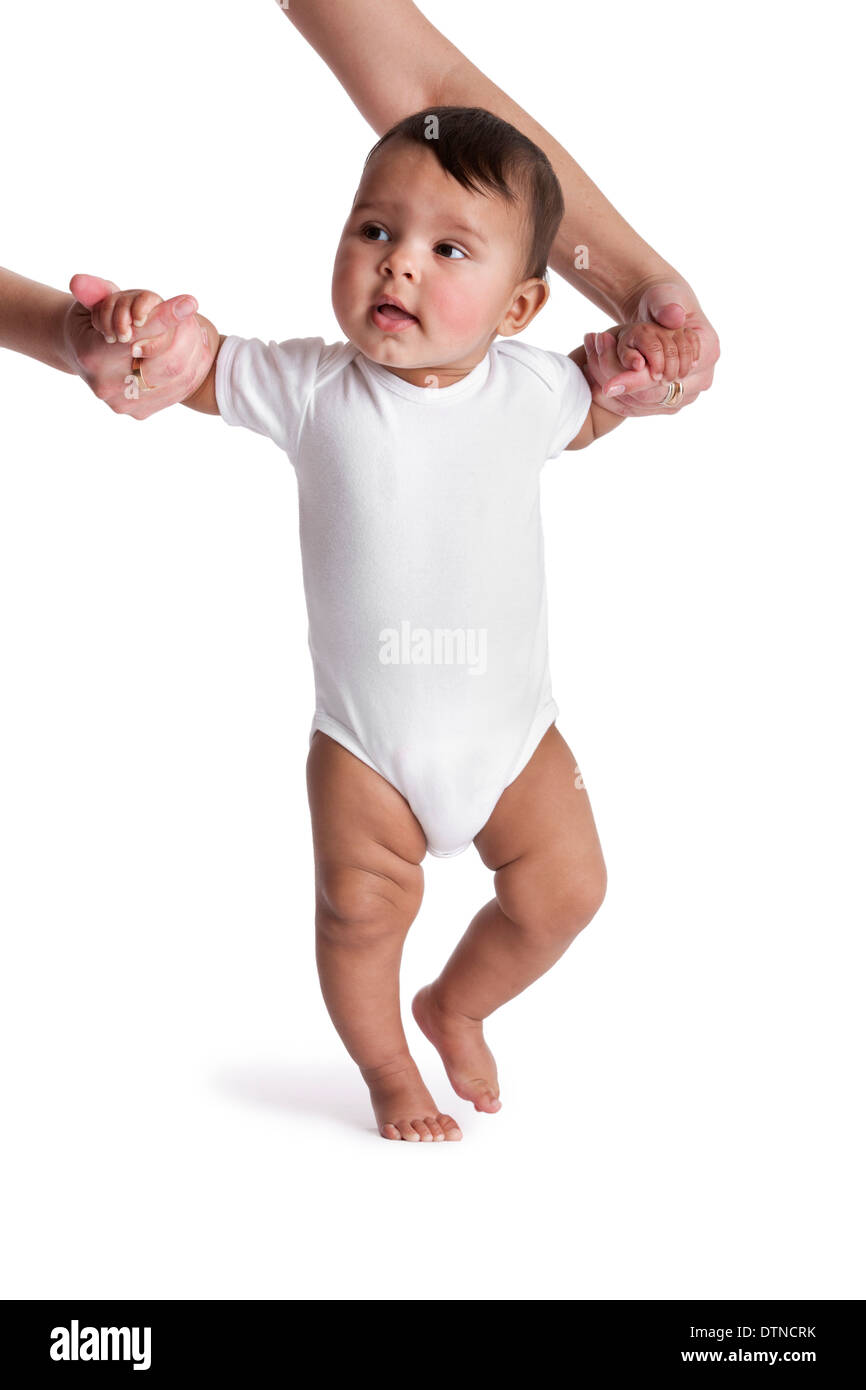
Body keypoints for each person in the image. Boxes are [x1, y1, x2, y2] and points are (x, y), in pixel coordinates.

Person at [2, 107, 702, 1141]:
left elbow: (593, 414)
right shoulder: (307, 384)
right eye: (374, 230)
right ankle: (385, 1069)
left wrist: (630, 380)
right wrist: (135, 326)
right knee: (358, 915)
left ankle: (454, 1004)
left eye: (444, 247)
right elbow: (190, 365)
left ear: (518, 305)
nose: (396, 267)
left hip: (514, 738)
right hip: (364, 748)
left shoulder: (536, 388)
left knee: (566, 890)